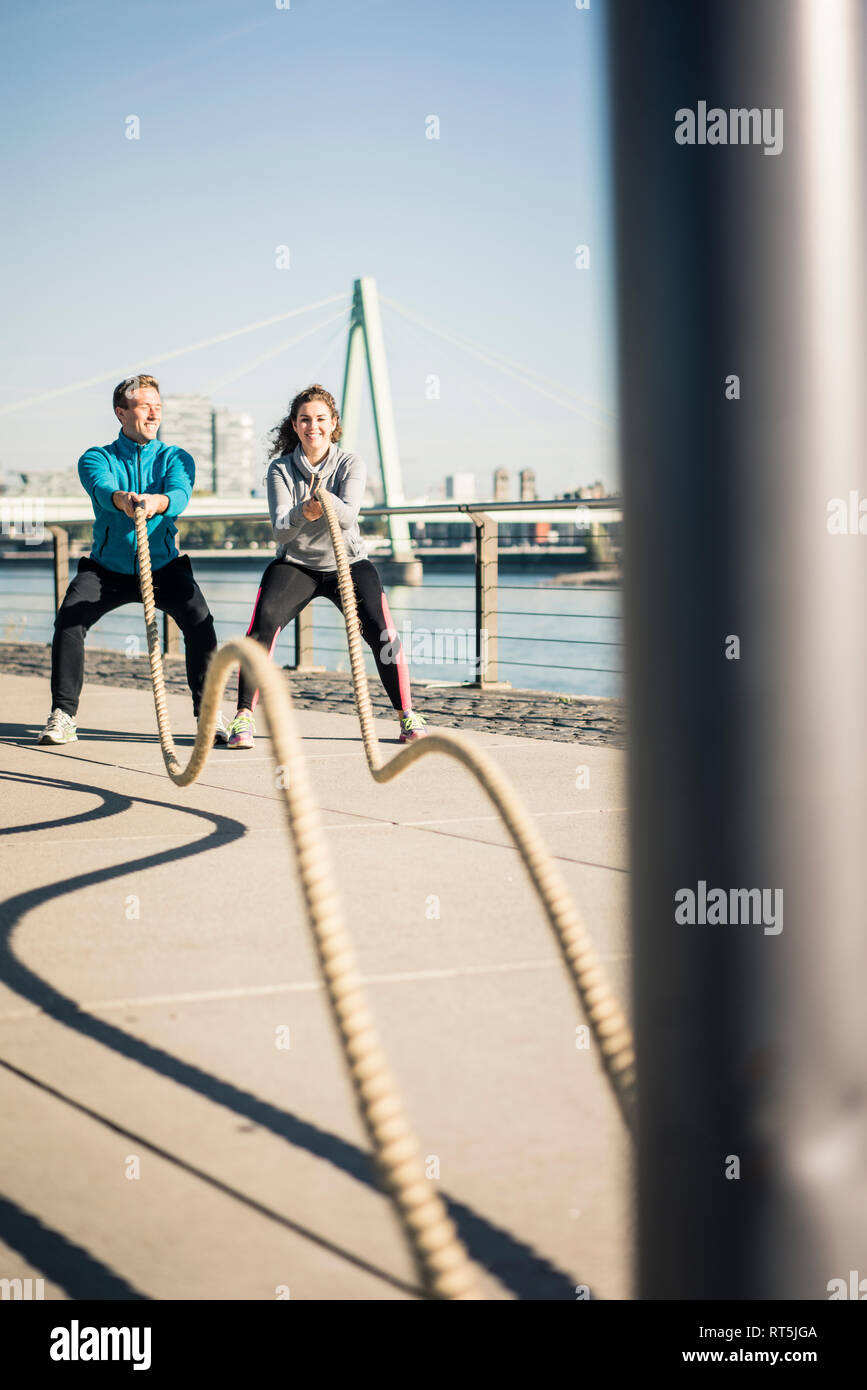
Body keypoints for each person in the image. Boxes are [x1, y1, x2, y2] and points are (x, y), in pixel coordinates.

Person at [225, 384, 427, 749]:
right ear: (295, 425)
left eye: (320, 419)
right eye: (305, 420)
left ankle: (407, 714)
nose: (312, 426)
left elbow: (348, 518)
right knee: (263, 625)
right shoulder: (280, 470)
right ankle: (243, 718)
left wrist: (322, 496)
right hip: (296, 564)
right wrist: (305, 511)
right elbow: (281, 531)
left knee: (382, 631)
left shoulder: (351, 463)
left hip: (347, 563)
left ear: (334, 424)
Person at [38, 375, 228, 746]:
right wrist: (124, 500)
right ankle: (63, 714)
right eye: (144, 405)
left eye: (158, 405)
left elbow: (179, 492)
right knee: (69, 621)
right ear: (121, 412)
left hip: (163, 567)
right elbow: (102, 487)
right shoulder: (97, 457)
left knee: (200, 621)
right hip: (108, 569)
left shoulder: (176, 458)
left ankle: (208, 714)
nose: (154, 412)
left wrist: (158, 502)